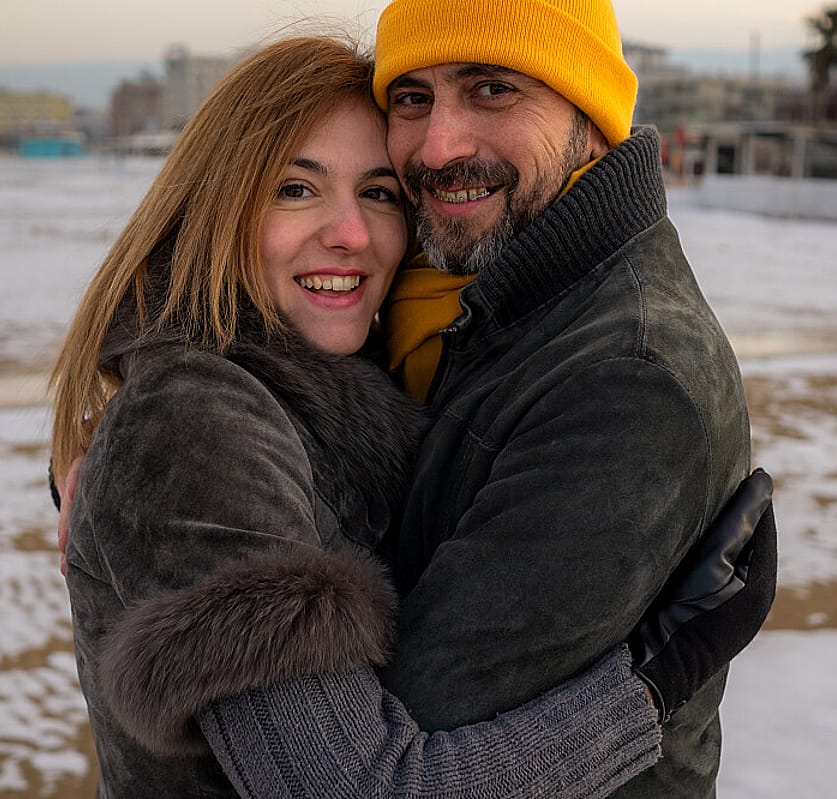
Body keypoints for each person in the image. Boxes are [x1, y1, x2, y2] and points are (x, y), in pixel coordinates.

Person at [50, 34, 775, 799]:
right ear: (216, 204)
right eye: (295, 189)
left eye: (379, 193)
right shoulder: (193, 421)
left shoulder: (372, 350)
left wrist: (121, 467)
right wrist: (654, 686)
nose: (353, 234)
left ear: (591, 116)